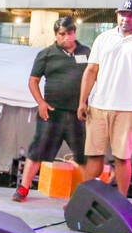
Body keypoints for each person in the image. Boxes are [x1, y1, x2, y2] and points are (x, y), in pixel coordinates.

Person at [77, 0, 132, 198]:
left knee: (122, 158)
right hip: (98, 106)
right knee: (93, 156)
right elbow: (91, 70)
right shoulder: (103, 38)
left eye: (130, 14)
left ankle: (122, 202)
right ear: (117, 15)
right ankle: (83, 198)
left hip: (129, 109)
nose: (125, 18)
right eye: (122, 14)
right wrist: (83, 101)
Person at [12, 18, 92, 201]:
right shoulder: (46, 54)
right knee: (37, 150)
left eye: (70, 33)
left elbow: (95, 75)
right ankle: (23, 188)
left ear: (74, 33)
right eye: (62, 34)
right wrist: (40, 102)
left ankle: (90, 194)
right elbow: (33, 81)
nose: (66, 37)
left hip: (77, 113)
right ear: (56, 35)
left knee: (84, 154)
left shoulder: (87, 53)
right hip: (51, 112)